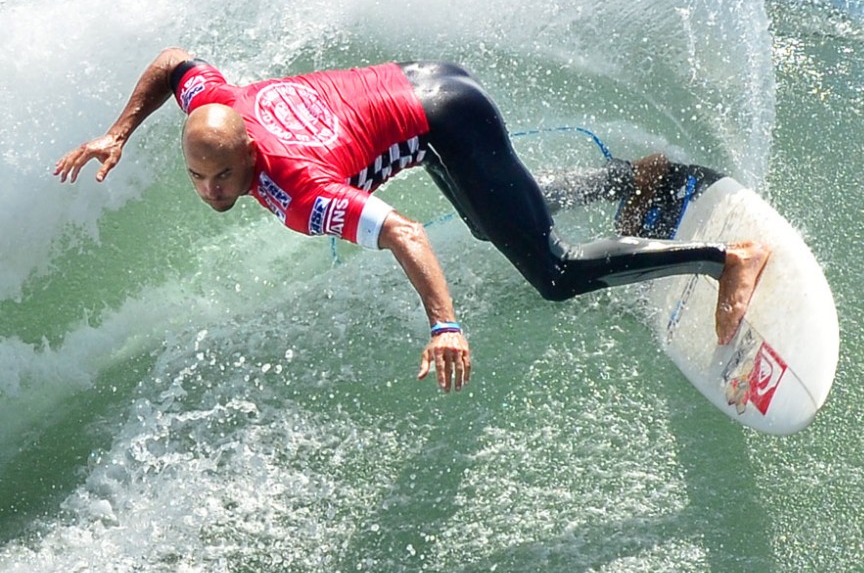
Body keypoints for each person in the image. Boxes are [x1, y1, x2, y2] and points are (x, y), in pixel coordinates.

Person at [55, 50, 769, 392]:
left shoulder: (298, 189)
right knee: (493, 223)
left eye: (223, 177)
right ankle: (630, 179)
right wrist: (117, 133)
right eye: (197, 178)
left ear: (249, 152)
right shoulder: (218, 107)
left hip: (446, 117)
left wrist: (444, 324)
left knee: (551, 273)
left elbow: (404, 231)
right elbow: (174, 62)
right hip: (423, 86)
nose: (211, 192)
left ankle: (725, 259)